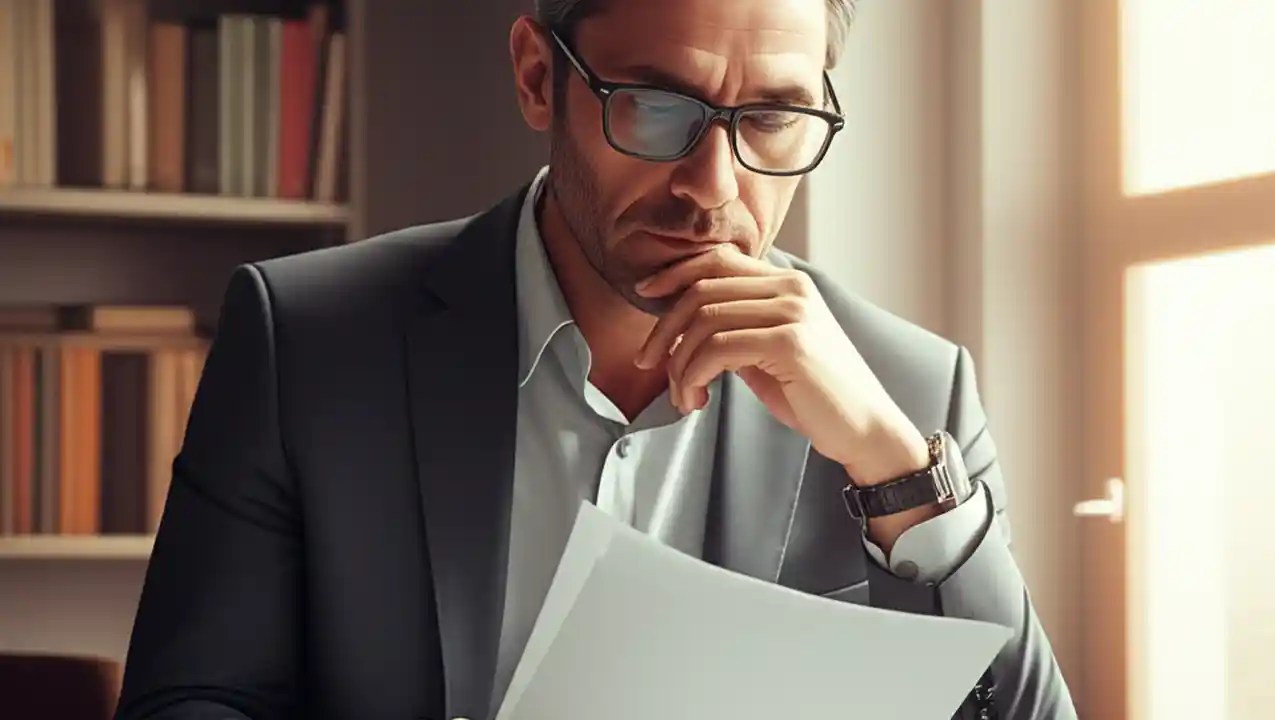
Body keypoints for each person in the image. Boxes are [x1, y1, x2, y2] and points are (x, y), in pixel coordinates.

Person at [114, 0, 1076, 718]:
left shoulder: (909, 391)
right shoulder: (307, 340)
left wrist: (896, 469)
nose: (713, 187)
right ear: (538, 76)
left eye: (774, 119)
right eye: (659, 107)